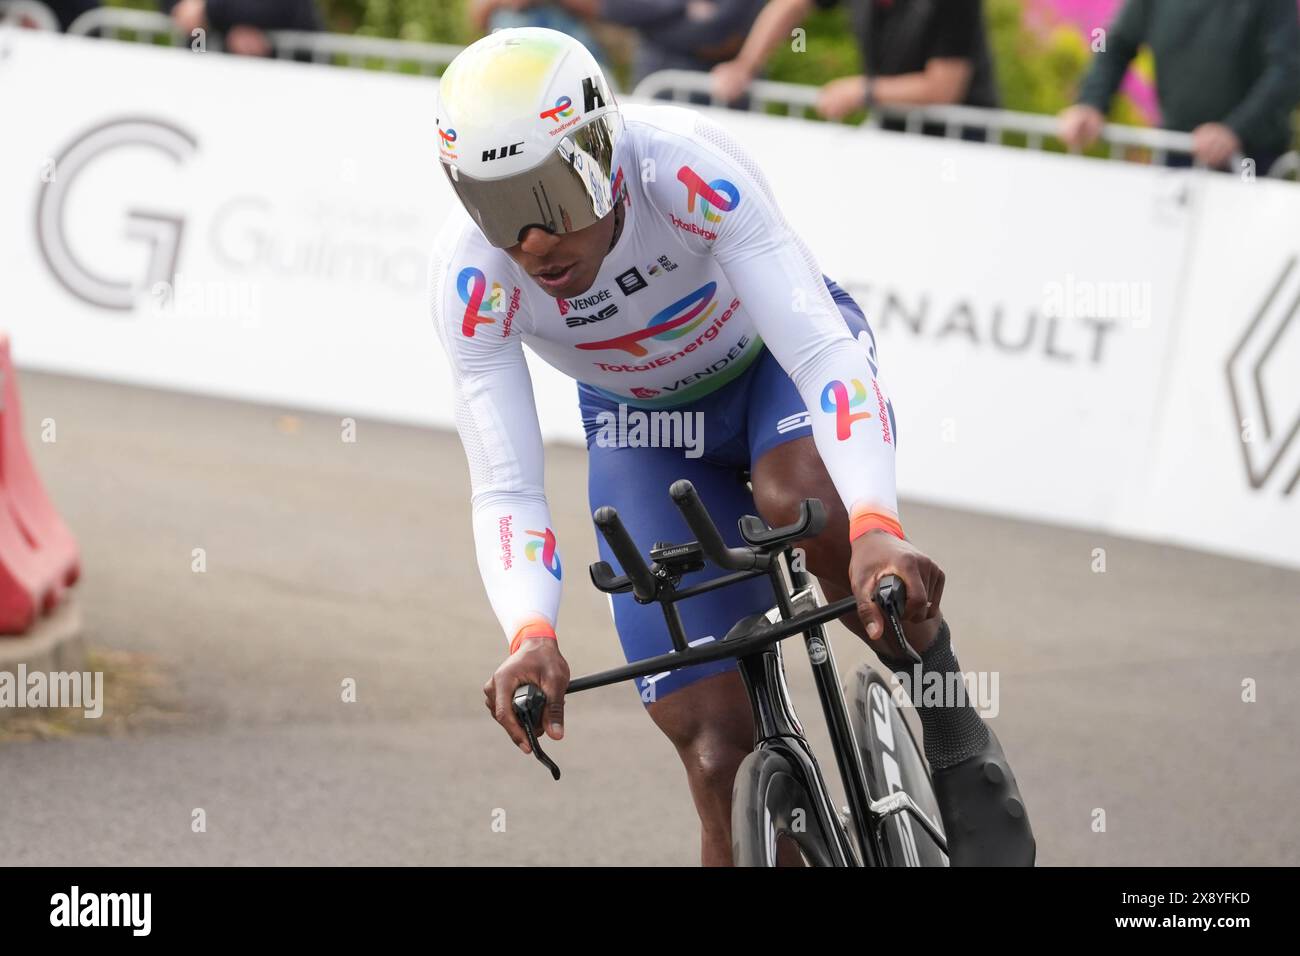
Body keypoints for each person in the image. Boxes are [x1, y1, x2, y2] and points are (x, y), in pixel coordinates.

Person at [430, 27, 1033, 865]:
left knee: (812, 517)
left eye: (551, 199)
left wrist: (875, 524)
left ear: (602, 153)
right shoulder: (473, 283)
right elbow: (505, 487)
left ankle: (949, 719)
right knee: (715, 754)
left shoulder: (683, 171)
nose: (531, 241)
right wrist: (530, 631)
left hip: (771, 372)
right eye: (496, 207)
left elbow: (822, 352)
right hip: (642, 430)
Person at [1059, 0, 1300, 174]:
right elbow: (1115, 45)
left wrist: (1235, 130)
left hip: (1250, 161)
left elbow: (1288, 69)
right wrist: (1091, 103)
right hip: (1176, 151)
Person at [712, 0, 998, 125]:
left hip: (959, 142)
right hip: (895, 128)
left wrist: (863, 91)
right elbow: (791, 5)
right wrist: (744, 66)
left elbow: (943, 87)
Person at [161, 0, 321, 57]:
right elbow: (178, 7)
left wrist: (206, 10)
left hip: (284, 82)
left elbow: (278, 8)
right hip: (206, 77)